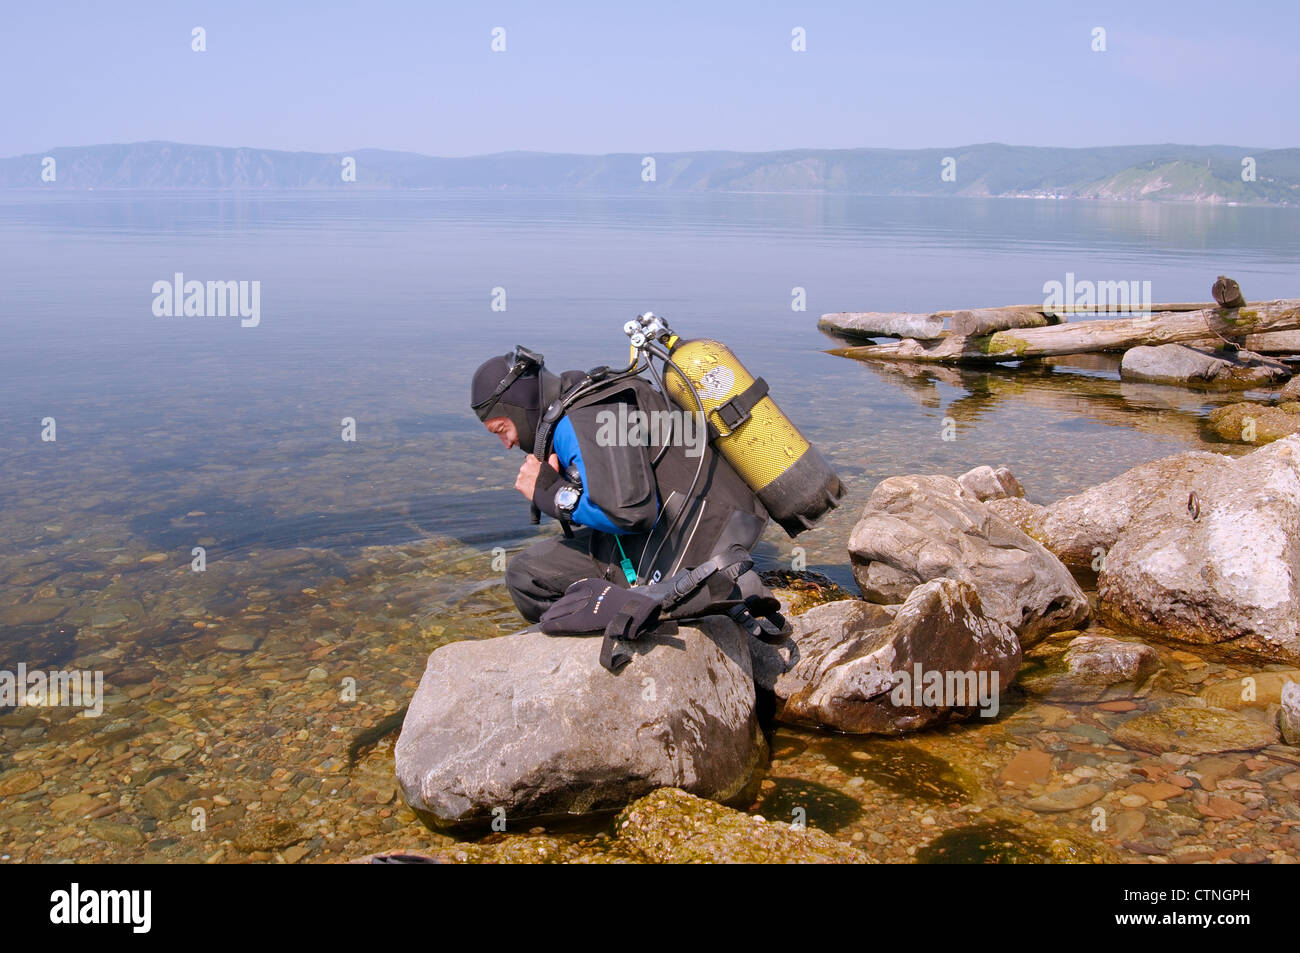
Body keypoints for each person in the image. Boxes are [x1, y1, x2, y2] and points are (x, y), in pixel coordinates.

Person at [470, 346, 771, 626]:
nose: (507, 443)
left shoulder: (581, 419)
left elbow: (631, 514)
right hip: (718, 522)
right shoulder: (597, 396)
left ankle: (618, 629)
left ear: (521, 408)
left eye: (502, 429)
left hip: (699, 545)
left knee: (526, 576)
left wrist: (549, 494)